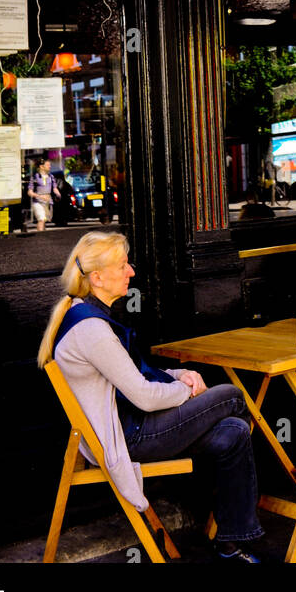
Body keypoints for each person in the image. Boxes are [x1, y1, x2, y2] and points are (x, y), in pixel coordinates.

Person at [38, 231, 263, 561]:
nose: (131, 271)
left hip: (135, 425)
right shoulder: (92, 330)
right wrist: (186, 391)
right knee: (230, 396)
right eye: (123, 265)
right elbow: (144, 396)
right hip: (131, 437)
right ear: (97, 277)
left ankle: (231, 541)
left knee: (234, 431)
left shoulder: (85, 314)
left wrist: (177, 376)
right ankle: (243, 495)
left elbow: (132, 374)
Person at [28, 157, 60, 231]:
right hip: (37, 202)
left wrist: (58, 195)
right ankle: (40, 237)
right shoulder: (35, 177)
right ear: (41, 166)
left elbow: (55, 188)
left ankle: (43, 237)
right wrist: (39, 196)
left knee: (44, 220)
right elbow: (30, 192)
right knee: (41, 219)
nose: (50, 166)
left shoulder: (51, 177)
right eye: (48, 165)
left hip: (48, 202)